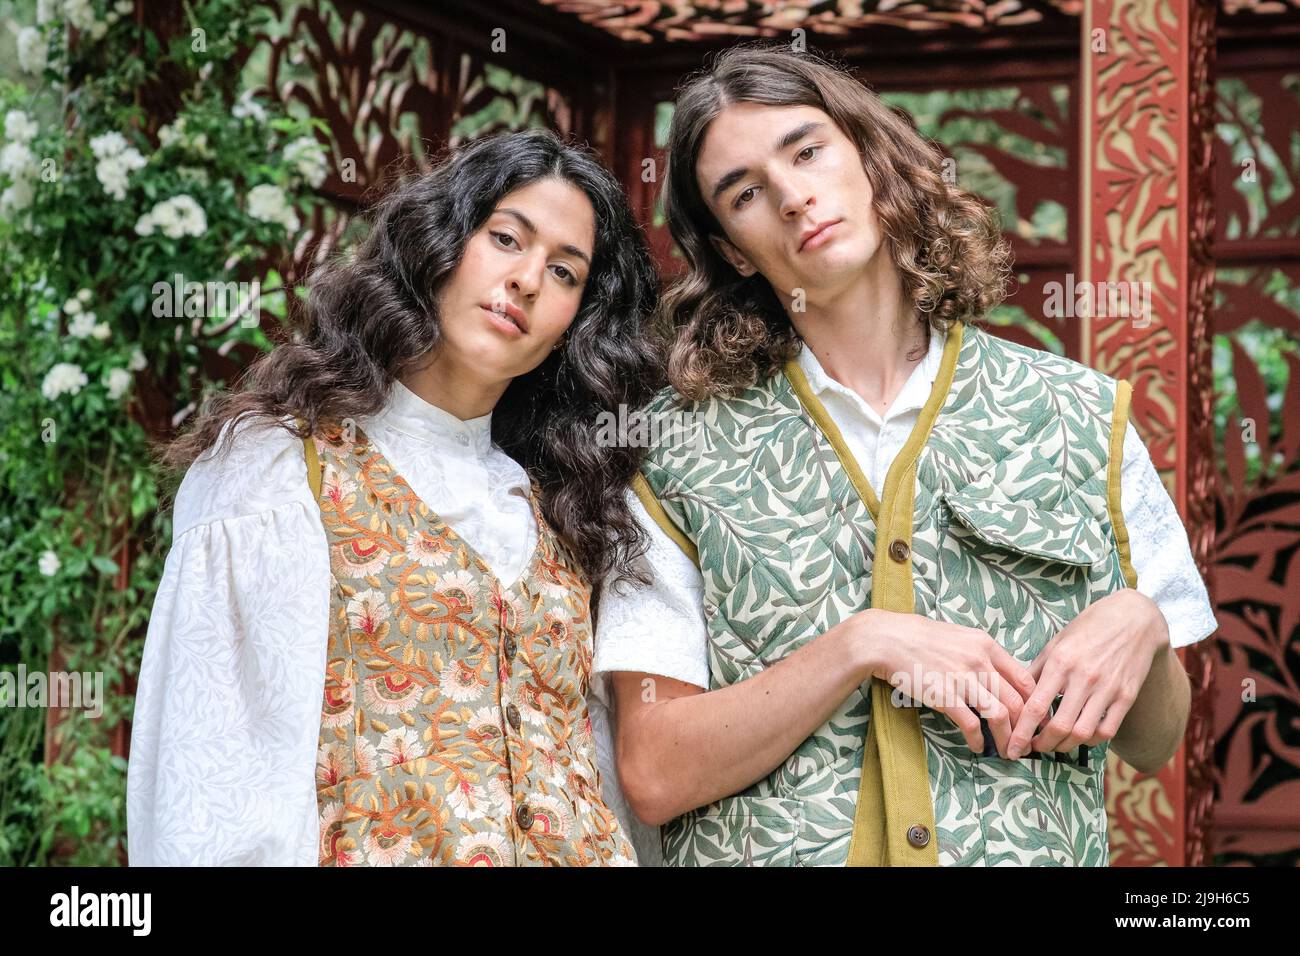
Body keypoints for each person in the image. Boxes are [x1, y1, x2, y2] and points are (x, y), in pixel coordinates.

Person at [593, 45, 1219, 867]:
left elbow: (1155, 740)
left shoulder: (1079, 414)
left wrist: (1140, 624)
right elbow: (655, 770)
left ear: (872, 160)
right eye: (744, 193)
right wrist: (861, 645)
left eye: (807, 150)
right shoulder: (672, 452)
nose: (791, 196)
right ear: (735, 250)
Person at [127, 128, 663, 866]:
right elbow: (212, 770)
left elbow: (601, 776)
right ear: (438, 245)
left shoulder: (568, 506)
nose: (530, 280)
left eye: (566, 273)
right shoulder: (280, 466)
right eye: (506, 238)